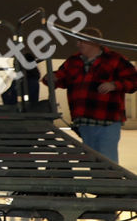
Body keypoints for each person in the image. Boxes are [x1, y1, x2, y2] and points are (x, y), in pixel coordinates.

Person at [49, 29, 137, 163]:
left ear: (93, 42)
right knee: (92, 159)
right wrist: (50, 78)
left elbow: (134, 80)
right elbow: (61, 78)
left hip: (108, 121)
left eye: (81, 41)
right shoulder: (73, 61)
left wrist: (115, 85)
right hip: (84, 121)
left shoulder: (115, 59)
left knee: (107, 160)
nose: (77, 44)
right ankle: (98, 183)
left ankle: (109, 182)